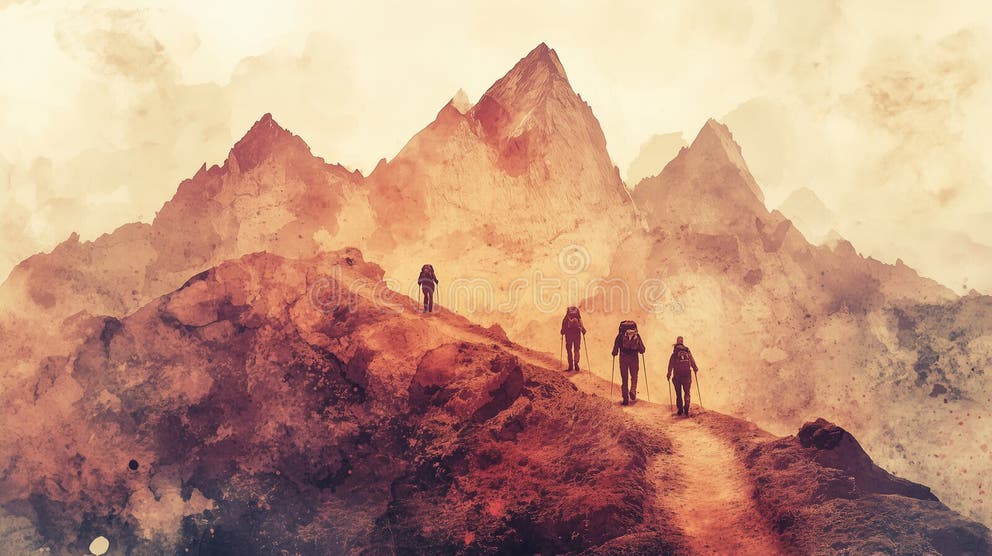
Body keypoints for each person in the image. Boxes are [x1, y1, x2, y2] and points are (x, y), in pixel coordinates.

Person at [612, 320, 646, 405]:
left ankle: (625, 397)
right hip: (634, 358)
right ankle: (633, 391)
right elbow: (642, 349)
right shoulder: (636, 335)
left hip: (623, 358)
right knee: (634, 376)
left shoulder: (620, 336)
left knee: (624, 378)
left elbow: (615, 350)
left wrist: (614, 353)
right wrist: (640, 350)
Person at [667, 336, 698, 416]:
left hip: (677, 377)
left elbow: (671, 364)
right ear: (683, 342)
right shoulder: (687, 351)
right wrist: (695, 368)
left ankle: (680, 410)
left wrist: (669, 374)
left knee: (678, 394)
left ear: (677, 342)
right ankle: (686, 406)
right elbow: (692, 360)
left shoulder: (674, 353)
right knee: (687, 392)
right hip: (687, 376)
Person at [560, 306, 586, 372]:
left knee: (569, 350)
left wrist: (562, 331)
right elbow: (581, 325)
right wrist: (583, 331)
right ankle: (576, 364)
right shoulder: (578, 317)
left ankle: (570, 366)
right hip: (577, 335)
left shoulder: (566, 318)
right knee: (576, 349)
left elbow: (563, 325)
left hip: (569, 335)